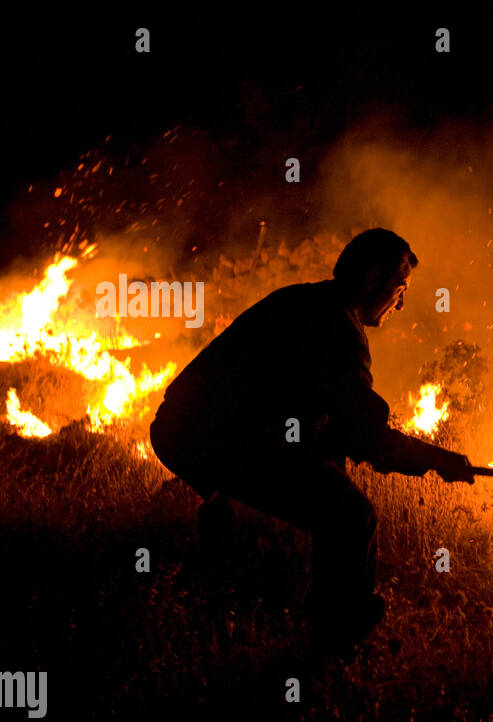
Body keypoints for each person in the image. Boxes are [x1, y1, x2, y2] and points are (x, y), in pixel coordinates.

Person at [150, 228, 474, 657]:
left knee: (323, 472)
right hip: (215, 435)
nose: (402, 302)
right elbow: (367, 434)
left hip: (184, 428)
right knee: (351, 515)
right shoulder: (338, 327)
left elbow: (331, 424)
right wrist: (437, 460)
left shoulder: (306, 301)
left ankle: (229, 530)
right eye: (399, 289)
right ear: (372, 278)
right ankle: (335, 637)